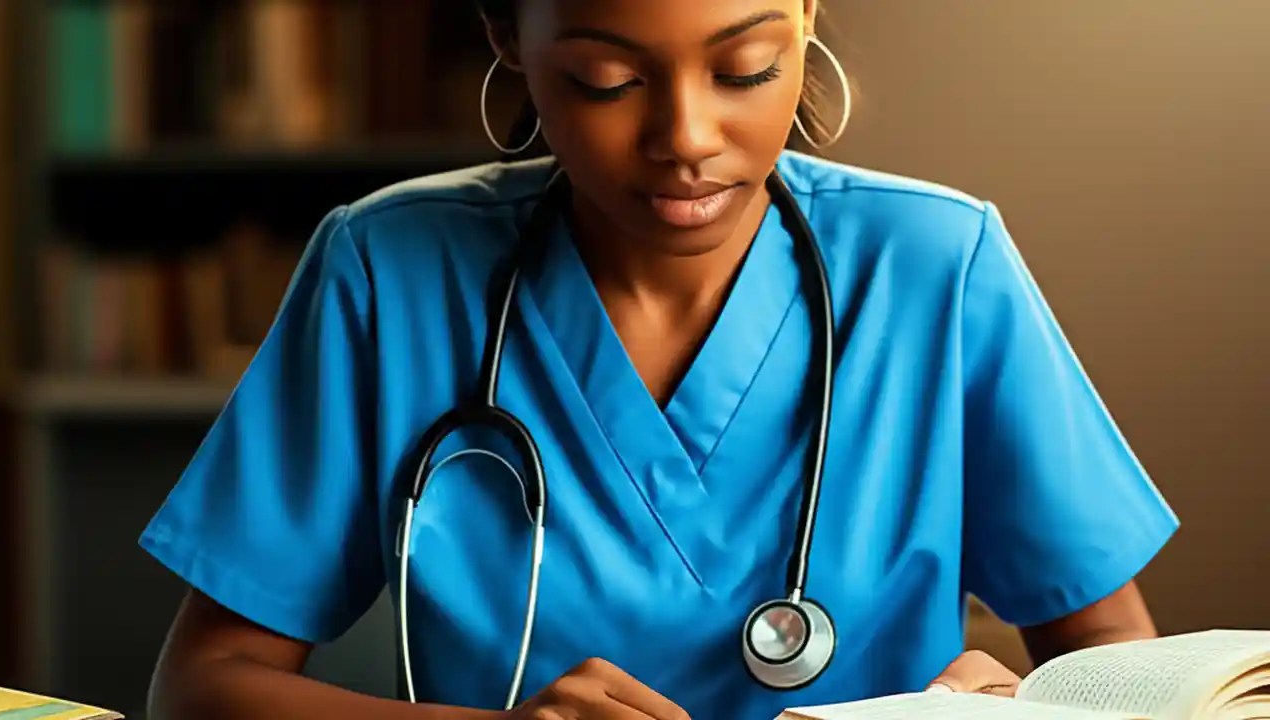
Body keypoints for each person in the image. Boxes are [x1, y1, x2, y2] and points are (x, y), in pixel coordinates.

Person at [139, 2, 1179, 720]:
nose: (685, 136)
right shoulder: (386, 272)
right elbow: (201, 687)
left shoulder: (936, 268)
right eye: (607, 79)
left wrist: (1015, 709)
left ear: (805, 24)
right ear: (508, 34)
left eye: (744, 70)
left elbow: (1123, 675)